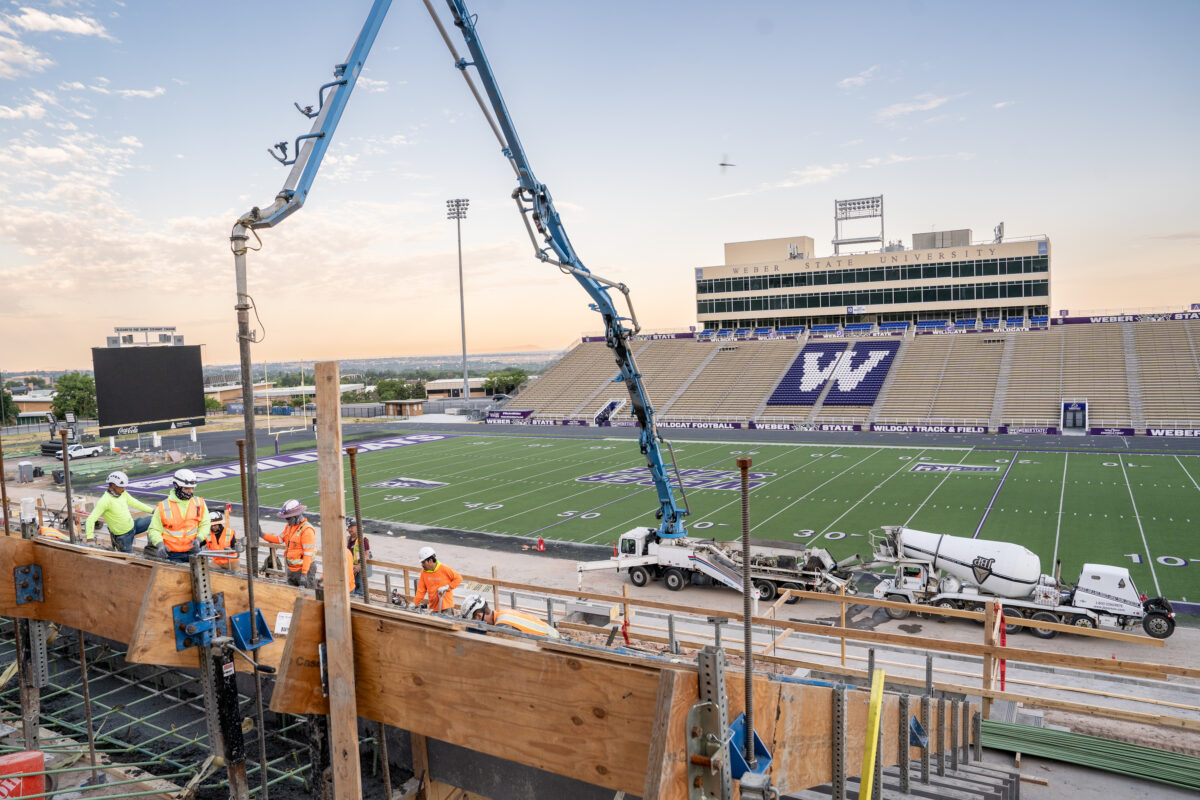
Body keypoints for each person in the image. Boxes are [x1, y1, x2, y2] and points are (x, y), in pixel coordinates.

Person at [147, 468, 210, 563]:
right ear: (176, 486)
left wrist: (198, 539)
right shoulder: (163, 506)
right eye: (186, 488)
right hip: (172, 554)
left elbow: (205, 524)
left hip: (193, 551)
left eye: (192, 488)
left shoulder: (199, 503)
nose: (190, 491)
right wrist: (159, 544)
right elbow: (154, 529)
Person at [85, 471, 153, 552]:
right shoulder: (105, 501)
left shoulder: (123, 494)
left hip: (133, 526)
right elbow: (90, 519)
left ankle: (152, 549)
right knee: (129, 560)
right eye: (121, 487)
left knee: (156, 519)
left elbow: (135, 503)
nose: (124, 489)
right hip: (123, 537)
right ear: (113, 485)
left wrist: (152, 511)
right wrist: (90, 538)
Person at [262, 499, 317, 588]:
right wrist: (262, 534)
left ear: (296, 516)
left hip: (303, 571)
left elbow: (308, 554)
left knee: (307, 596)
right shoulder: (289, 527)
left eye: (288, 518)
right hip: (291, 570)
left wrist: (304, 574)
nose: (286, 520)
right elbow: (279, 539)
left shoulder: (307, 530)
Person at [459, 595, 560, 638]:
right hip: (554, 636)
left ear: (478, 616)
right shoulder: (502, 613)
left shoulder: (502, 625)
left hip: (554, 643)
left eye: (473, 621)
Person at [413, 546, 461, 612]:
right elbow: (421, 591)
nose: (422, 565)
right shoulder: (423, 573)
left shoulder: (444, 569)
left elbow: (458, 578)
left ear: (430, 560)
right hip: (433, 608)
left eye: (423, 562)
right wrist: (415, 603)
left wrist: (447, 587)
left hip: (446, 608)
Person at [205, 505, 239, 570]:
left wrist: (231, 550)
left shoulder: (229, 533)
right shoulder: (208, 534)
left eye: (215, 525)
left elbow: (235, 547)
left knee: (236, 577)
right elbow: (199, 542)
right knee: (208, 571)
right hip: (217, 562)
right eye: (211, 526)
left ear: (219, 524)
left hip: (231, 562)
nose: (213, 527)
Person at [346, 520, 371, 597]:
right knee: (351, 586)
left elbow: (366, 554)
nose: (349, 530)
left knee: (360, 589)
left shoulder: (362, 539)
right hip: (350, 567)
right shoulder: (348, 539)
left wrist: (359, 566)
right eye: (349, 528)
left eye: (351, 527)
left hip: (359, 568)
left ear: (357, 528)